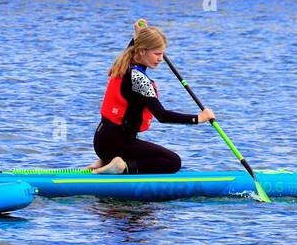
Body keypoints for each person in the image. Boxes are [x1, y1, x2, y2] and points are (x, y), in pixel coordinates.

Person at [88, 22, 213, 175]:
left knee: (147, 152)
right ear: (141, 51)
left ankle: (107, 161)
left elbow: (134, 46)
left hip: (102, 141)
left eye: (162, 53)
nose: (161, 59)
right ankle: (121, 167)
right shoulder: (140, 80)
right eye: (157, 53)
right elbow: (162, 115)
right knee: (173, 162)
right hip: (117, 143)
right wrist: (198, 118)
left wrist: (138, 34)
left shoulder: (124, 64)